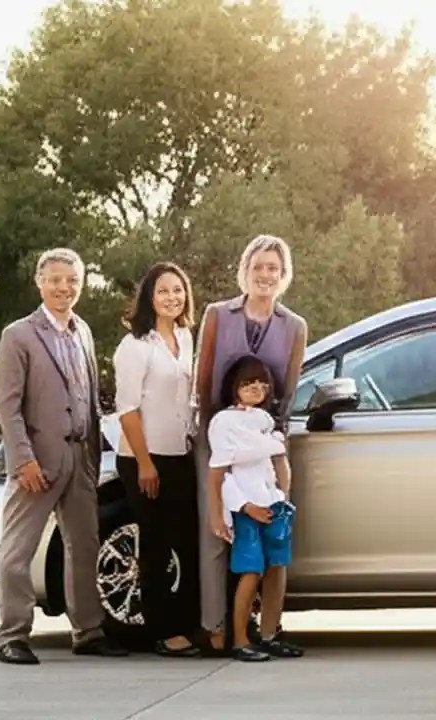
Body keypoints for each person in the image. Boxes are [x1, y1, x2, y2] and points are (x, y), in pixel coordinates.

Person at [0, 248, 128, 665]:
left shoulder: (83, 331)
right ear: (40, 282)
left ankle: (87, 631)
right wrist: (23, 459)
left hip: (80, 459)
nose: (64, 288)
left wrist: (94, 454)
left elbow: (88, 400)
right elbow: (8, 406)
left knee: (84, 546)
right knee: (18, 551)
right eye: (55, 279)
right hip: (38, 461)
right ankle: (12, 636)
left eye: (72, 280)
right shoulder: (18, 335)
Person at [195, 235, 308, 655]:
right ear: (245, 270)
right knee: (217, 535)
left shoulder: (293, 326)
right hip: (219, 440)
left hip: (266, 444)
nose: (265, 275)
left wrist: (275, 448)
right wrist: (208, 436)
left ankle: (270, 631)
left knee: (272, 536)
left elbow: (289, 390)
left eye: (273, 269)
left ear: (283, 276)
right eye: (258, 267)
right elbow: (203, 379)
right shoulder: (217, 315)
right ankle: (217, 628)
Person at [111, 261, 201, 657]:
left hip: (180, 453)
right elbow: (127, 409)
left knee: (185, 542)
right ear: (150, 297)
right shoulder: (135, 345)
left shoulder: (185, 336)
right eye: (162, 291)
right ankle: (161, 631)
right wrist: (145, 463)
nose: (171, 297)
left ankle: (188, 623)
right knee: (156, 545)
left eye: (177, 290)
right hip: (144, 459)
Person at [208, 356, 301, 662]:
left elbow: (277, 463)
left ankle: (270, 633)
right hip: (247, 510)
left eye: (262, 383)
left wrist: (282, 497)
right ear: (235, 386)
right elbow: (219, 475)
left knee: (277, 567)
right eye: (248, 383)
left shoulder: (265, 422)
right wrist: (243, 508)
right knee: (251, 571)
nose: (256, 388)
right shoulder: (224, 422)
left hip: (273, 504)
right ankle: (241, 639)